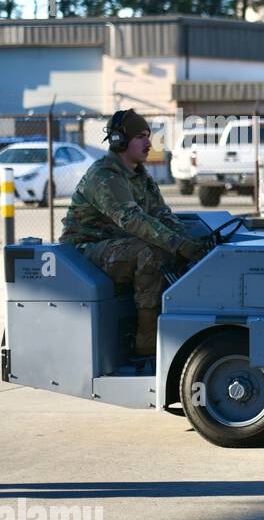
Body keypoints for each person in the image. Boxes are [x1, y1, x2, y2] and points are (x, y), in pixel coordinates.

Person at [60, 109, 212, 357]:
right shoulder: (105, 176)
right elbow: (132, 220)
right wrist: (179, 245)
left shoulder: (140, 176)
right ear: (120, 141)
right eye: (140, 136)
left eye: (148, 135)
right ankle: (147, 345)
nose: (148, 142)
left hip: (116, 245)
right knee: (150, 252)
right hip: (84, 252)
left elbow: (163, 216)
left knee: (176, 249)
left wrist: (196, 244)